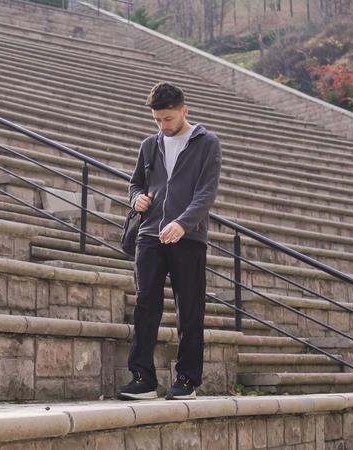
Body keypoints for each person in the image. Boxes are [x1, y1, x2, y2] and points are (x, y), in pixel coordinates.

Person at [117, 82, 222, 400]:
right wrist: (136, 199)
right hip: (149, 235)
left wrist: (183, 223)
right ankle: (143, 379)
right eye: (158, 120)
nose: (163, 126)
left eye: (169, 119)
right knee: (145, 306)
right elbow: (135, 183)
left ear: (184, 111)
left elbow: (206, 192)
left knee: (189, 309)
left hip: (189, 238)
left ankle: (187, 380)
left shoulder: (207, 143)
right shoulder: (149, 144)